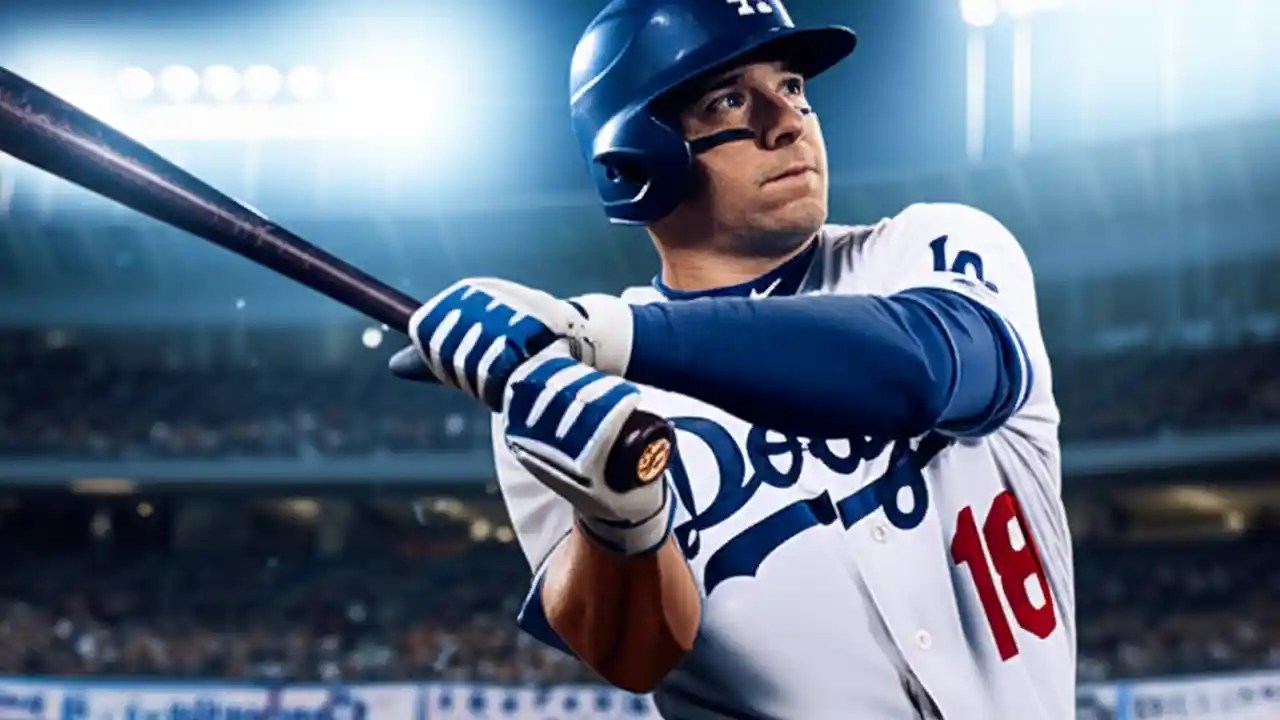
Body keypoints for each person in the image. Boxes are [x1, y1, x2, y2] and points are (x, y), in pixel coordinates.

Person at [389, 0, 1076, 716]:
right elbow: (635, 656)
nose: (789, 122)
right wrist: (619, 516)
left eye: (791, 87)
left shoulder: (930, 250)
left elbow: (924, 369)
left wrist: (609, 333)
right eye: (729, 100)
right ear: (636, 162)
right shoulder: (557, 390)